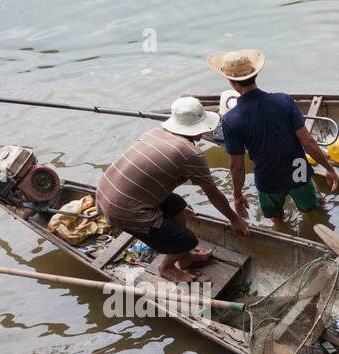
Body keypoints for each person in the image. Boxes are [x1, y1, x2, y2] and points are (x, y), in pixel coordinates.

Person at [95, 96, 249, 283]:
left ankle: (184, 256)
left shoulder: (153, 132)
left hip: (104, 195)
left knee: (177, 204)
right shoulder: (191, 154)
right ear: (199, 129)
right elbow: (214, 195)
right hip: (122, 210)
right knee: (187, 240)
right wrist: (234, 219)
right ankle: (167, 267)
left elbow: (152, 176)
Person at [208, 49, 339, 225]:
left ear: (232, 83)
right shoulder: (284, 101)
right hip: (297, 169)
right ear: (255, 75)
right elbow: (307, 142)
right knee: (316, 210)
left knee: (277, 219)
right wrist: (329, 168)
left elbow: (236, 165)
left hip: (266, 176)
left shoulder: (231, 120)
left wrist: (238, 195)